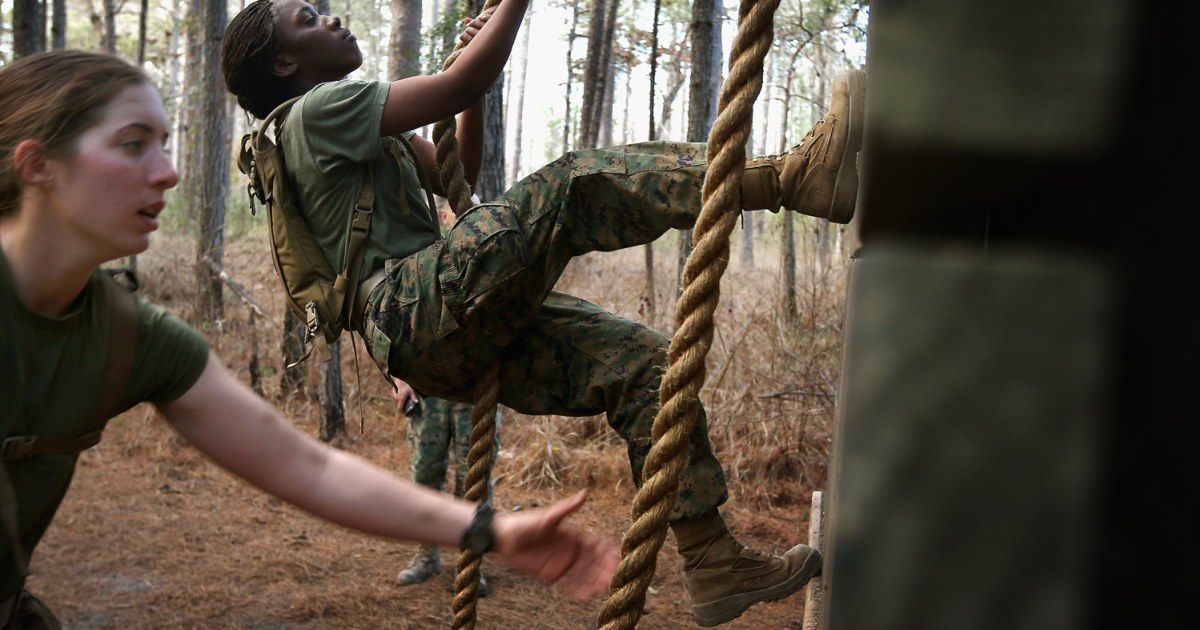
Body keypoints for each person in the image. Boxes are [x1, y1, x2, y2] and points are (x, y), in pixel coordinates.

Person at [221, 0, 865, 625]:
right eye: (308, 19)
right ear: (283, 64)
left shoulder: (332, 132)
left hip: (428, 335)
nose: (331, 18)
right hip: (418, 305)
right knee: (578, 182)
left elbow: (457, 172)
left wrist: (468, 83)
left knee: (642, 366)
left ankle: (711, 559)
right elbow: (461, 81)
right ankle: (789, 178)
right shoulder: (318, 111)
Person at [0, 49, 618, 629]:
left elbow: (309, 467)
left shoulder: (134, 338)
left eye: (163, 144)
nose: (168, 173)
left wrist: (491, 531)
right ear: (37, 166)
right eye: (133, 146)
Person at [390, 377, 500, 593]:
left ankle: (471, 563)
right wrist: (400, 379)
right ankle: (427, 556)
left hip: (476, 387)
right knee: (424, 476)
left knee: (474, 480)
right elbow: (392, 342)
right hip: (427, 388)